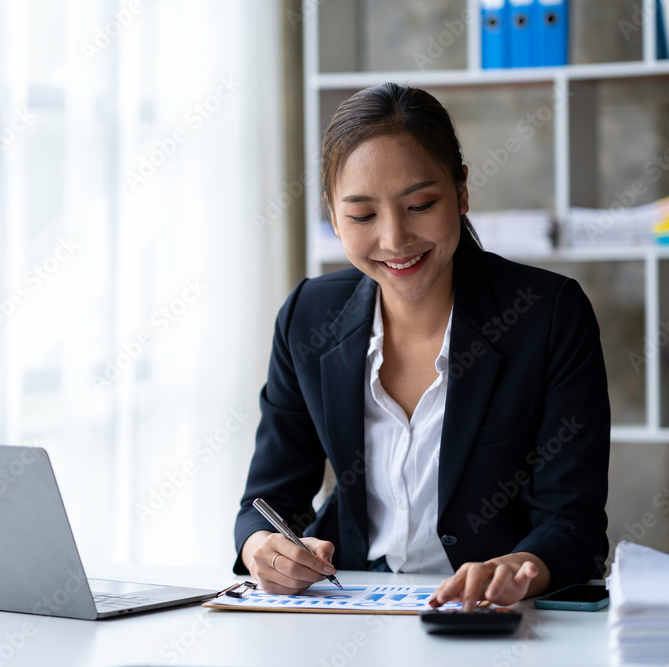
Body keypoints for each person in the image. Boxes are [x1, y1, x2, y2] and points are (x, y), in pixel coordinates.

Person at [233, 82, 610, 611]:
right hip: (349, 601)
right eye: (362, 215)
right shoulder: (309, 316)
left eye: (420, 204)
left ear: (460, 192)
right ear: (333, 214)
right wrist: (262, 549)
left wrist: (516, 570)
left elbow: (574, 525)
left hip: (492, 618)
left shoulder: (547, 315)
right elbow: (267, 501)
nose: (394, 239)